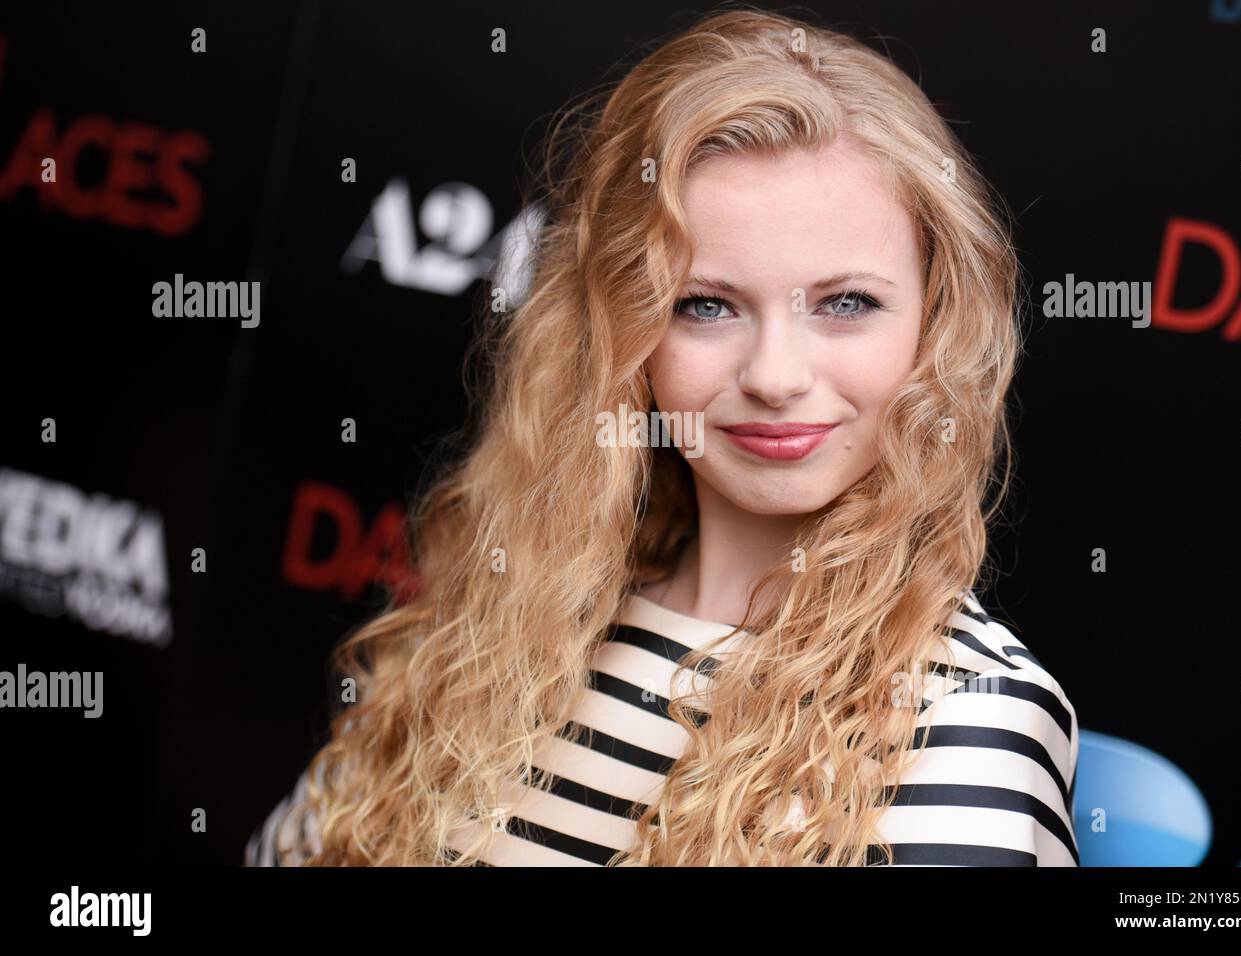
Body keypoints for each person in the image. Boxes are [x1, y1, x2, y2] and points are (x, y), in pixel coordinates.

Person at [245, 7, 1078, 867]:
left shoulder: (971, 717)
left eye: (845, 304)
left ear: (935, 322)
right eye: (705, 305)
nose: (776, 375)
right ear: (618, 331)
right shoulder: (502, 622)